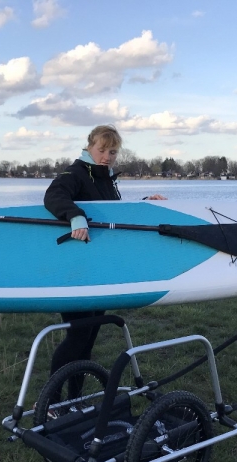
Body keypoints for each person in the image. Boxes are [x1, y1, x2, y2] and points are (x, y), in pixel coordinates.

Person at [44, 125, 165, 382]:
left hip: (100, 269)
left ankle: (74, 399)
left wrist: (145, 204)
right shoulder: (76, 172)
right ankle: (50, 399)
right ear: (89, 146)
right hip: (76, 269)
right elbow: (54, 196)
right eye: (102, 150)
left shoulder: (106, 178)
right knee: (77, 336)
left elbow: (113, 213)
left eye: (112, 152)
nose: (107, 157)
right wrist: (75, 216)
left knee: (89, 338)